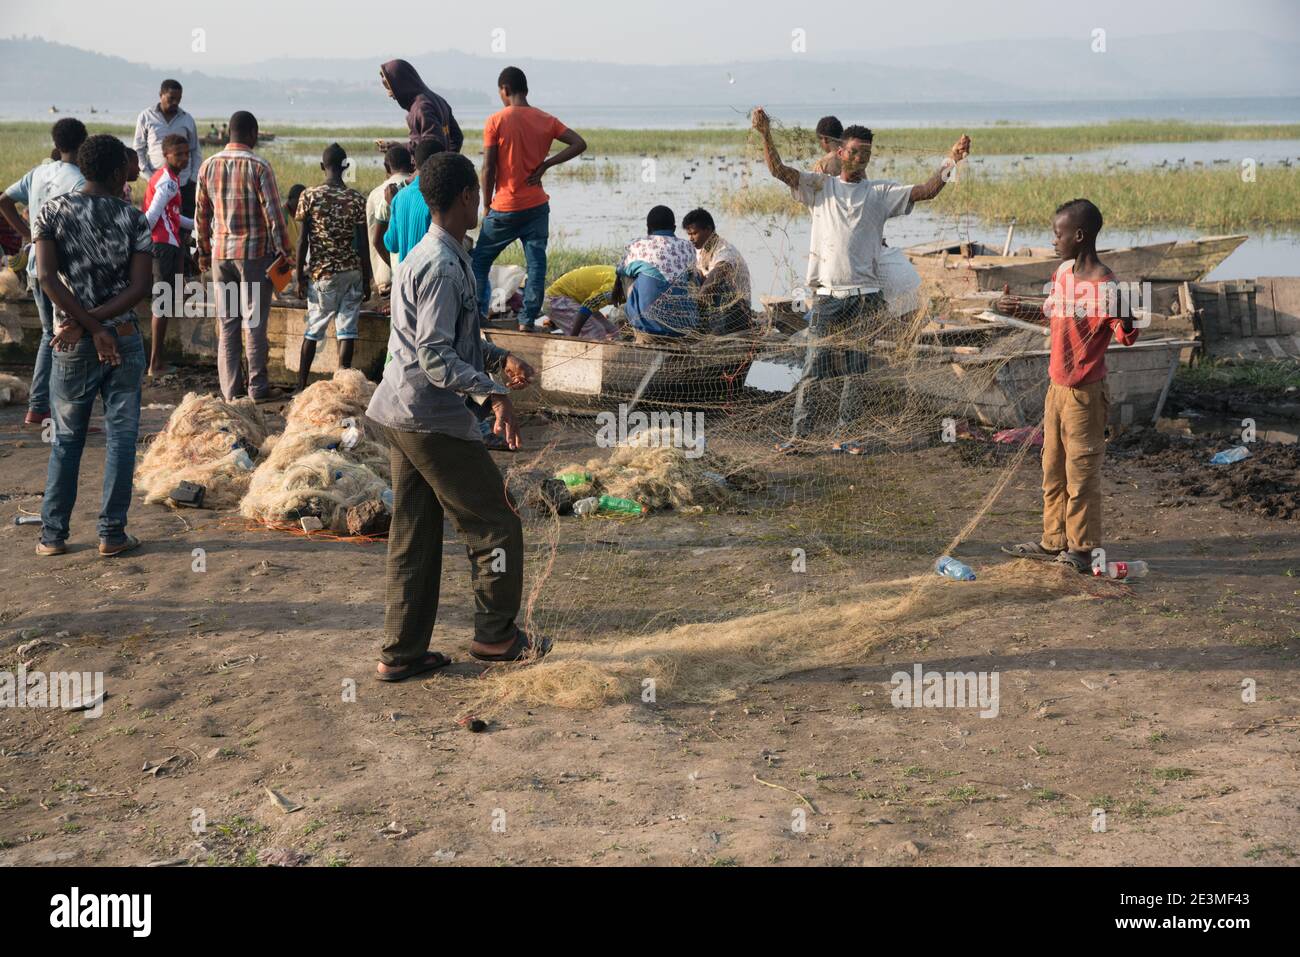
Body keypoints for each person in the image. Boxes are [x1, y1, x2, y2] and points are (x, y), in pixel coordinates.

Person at [364, 151, 547, 682]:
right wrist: (494, 396)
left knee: (415, 533)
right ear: (467, 196)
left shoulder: (433, 253)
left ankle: (401, 653)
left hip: (400, 411)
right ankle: (496, 636)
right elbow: (436, 356)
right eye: (479, 193)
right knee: (495, 522)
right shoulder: (444, 265)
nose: (482, 201)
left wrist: (497, 357)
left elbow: (455, 339)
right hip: (428, 416)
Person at [751, 107, 970, 452]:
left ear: (869, 157)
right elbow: (780, 171)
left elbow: (927, 190)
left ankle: (846, 436)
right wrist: (765, 133)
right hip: (826, 297)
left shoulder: (879, 193)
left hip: (866, 297)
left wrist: (951, 161)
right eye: (852, 151)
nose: (857, 158)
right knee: (813, 370)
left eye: (864, 153)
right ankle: (799, 437)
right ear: (840, 153)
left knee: (855, 372)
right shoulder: (820, 187)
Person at [999, 199, 1140, 574]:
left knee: (1081, 473)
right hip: (1056, 390)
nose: (1053, 240)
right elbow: (1051, 317)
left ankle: (1082, 548)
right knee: (1052, 468)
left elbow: (1127, 335)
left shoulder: (1106, 286)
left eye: (1057, 234)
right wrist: (1016, 309)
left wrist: (1125, 311)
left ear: (1079, 236)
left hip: (1084, 396)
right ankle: (1054, 540)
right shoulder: (1063, 273)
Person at [31, 134, 152, 558]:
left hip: (73, 341)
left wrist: (84, 326)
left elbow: (46, 279)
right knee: (121, 440)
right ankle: (111, 534)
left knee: (66, 440)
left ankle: (52, 535)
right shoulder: (134, 219)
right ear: (120, 172)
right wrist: (102, 326)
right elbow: (141, 287)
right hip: (123, 340)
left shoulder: (52, 212)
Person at [472, 66, 586, 332]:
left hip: (504, 206)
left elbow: (488, 168)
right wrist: (546, 164)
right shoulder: (546, 120)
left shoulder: (495, 121)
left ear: (504, 90)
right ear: (526, 90)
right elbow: (579, 143)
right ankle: (526, 322)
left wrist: (486, 203)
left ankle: (476, 313)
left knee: (479, 261)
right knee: (536, 264)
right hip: (536, 206)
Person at [195, 110, 293, 402]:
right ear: (253, 133)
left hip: (221, 255)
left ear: (229, 133)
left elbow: (201, 215)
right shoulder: (259, 166)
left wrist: (203, 250)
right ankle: (258, 388)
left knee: (227, 324)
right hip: (253, 255)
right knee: (254, 323)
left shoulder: (207, 166)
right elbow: (275, 216)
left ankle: (230, 391)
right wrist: (284, 252)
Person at [0, 117, 87, 427]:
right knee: (68, 337)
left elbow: (5, 201)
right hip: (63, 270)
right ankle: (64, 413)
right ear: (83, 144)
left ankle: (39, 406)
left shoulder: (39, 172)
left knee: (50, 335)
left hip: (37, 265)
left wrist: (28, 235)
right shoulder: (78, 180)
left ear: (56, 143)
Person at [294, 143, 369, 391]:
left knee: (314, 329)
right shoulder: (357, 199)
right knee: (347, 330)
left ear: (321, 166)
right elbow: (363, 243)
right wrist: (367, 278)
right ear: (345, 167)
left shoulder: (309, 196)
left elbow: (302, 240)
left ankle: (301, 386)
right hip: (352, 273)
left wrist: (298, 277)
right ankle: (343, 386)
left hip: (322, 275)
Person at [141, 133, 195, 376]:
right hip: (162, 246)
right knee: (161, 305)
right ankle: (155, 364)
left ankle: (157, 361)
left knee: (164, 303)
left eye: (187, 153)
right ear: (166, 155)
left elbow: (172, 216)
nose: (184, 158)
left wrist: (199, 224)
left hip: (168, 244)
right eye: (179, 154)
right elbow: (151, 217)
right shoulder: (168, 182)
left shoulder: (169, 179)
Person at [133, 80, 201, 269]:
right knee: (164, 225)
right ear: (161, 95)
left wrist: (193, 178)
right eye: (171, 98)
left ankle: (183, 268)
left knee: (178, 227)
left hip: (184, 182)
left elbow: (196, 150)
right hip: (158, 179)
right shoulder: (146, 117)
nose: (175, 103)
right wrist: (147, 174)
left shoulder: (187, 119)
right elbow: (138, 149)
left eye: (178, 99)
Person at [611, 205, 699, 339]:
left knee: (625, 273)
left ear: (648, 229)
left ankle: (632, 318)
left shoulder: (638, 245)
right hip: (684, 327)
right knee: (690, 277)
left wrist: (616, 293)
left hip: (648, 327)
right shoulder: (688, 247)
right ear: (674, 228)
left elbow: (620, 272)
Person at [683, 207, 752, 335]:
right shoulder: (702, 250)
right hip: (719, 309)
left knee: (716, 285)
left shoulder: (724, 250)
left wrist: (696, 301)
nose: (691, 239)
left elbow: (718, 273)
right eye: (689, 235)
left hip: (737, 311)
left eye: (694, 233)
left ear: (708, 229)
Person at [375, 59, 463, 156]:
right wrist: (448, 160)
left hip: (428, 169)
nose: (389, 94)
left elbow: (430, 145)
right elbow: (457, 136)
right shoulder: (437, 99)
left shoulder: (421, 107)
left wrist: (398, 148)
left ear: (401, 82)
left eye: (389, 86)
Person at [383, 140, 443, 266]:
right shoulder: (438, 198)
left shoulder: (399, 197)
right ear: (442, 164)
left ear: (414, 163)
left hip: (406, 279)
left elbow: (391, 244)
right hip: (433, 275)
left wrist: (392, 206)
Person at [368, 144, 414, 297]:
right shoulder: (416, 189)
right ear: (411, 165)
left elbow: (374, 240)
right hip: (412, 274)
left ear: (387, 168)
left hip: (384, 279)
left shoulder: (375, 194)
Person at [541, 265, 618, 339]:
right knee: (596, 332)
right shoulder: (612, 288)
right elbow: (586, 307)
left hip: (576, 301)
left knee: (612, 332)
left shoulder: (622, 278)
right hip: (555, 300)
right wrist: (573, 338)